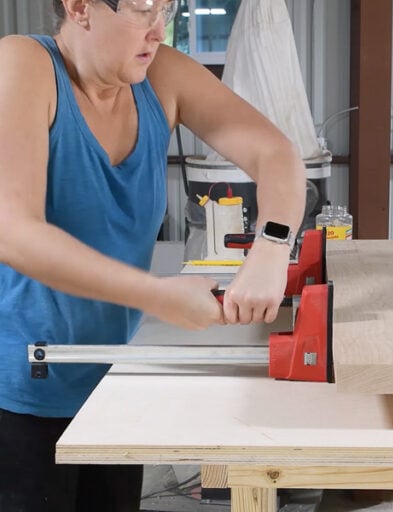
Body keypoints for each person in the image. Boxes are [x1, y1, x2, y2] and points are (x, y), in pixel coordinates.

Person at [0, 0, 307, 509]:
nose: (159, 31)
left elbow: (277, 154)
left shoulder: (162, 76)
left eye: (167, 9)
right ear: (80, 7)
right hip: (20, 391)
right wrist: (157, 296)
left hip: (114, 382)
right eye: (144, 10)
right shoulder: (24, 65)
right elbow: (14, 231)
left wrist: (271, 250)